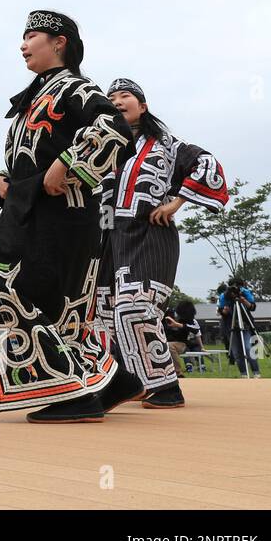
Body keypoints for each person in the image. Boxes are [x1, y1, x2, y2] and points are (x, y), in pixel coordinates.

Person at [0, 10, 138, 423]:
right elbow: (24, 159)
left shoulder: (75, 87)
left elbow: (114, 125)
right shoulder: (35, 95)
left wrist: (69, 161)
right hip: (34, 213)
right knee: (62, 307)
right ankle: (112, 381)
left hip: (65, 214)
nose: (23, 44)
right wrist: (4, 178)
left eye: (31, 35)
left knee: (16, 289)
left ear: (59, 43)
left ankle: (74, 394)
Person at [94, 78, 230, 409]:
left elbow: (207, 164)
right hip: (106, 239)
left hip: (148, 234)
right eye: (110, 98)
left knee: (135, 306)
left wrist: (176, 202)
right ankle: (130, 383)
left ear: (143, 105)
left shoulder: (166, 144)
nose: (117, 101)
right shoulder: (100, 149)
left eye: (125, 96)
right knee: (105, 312)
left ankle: (166, 386)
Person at [219, 281, 261, 378]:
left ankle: (256, 372)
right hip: (231, 327)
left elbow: (252, 307)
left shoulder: (244, 294)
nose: (234, 292)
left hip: (245, 326)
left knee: (248, 348)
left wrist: (243, 301)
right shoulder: (225, 297)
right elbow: (221, 311)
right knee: (236, 352)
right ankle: (243, 374)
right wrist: (225, 311)